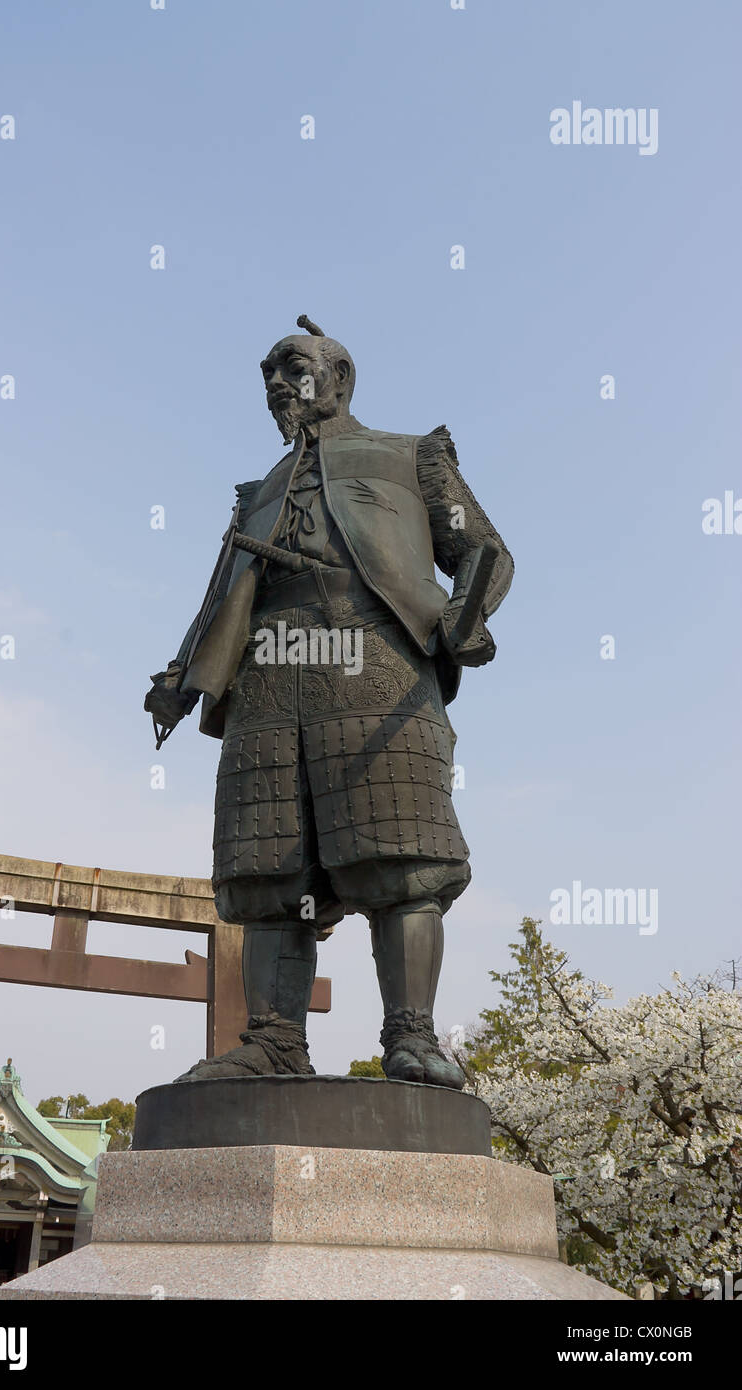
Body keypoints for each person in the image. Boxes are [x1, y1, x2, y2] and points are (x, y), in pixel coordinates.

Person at [145, 316, 513, 1085]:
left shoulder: (410, 458)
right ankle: (275, 1042)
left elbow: (482, 550)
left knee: (400, 857)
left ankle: (411, 1036)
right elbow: (224, 595)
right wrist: (182, 677)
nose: (278, 384)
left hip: (378, 663)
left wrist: (460, 617)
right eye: (268, 374)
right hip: (271, 677)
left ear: (339, 378)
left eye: (292, 366)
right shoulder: (260, 489)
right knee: (269, 868)